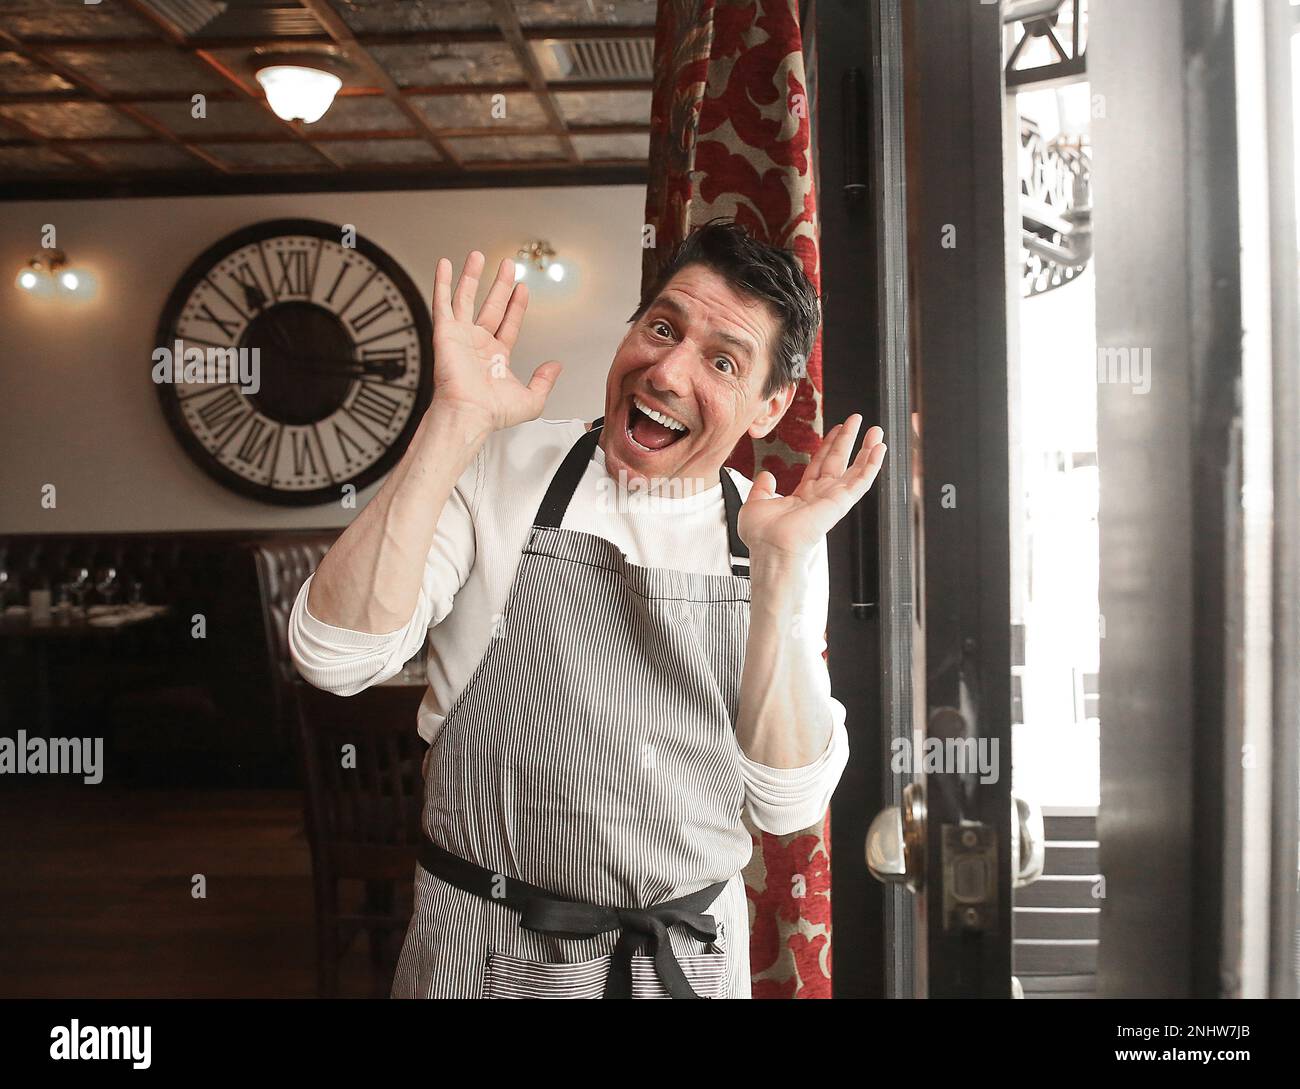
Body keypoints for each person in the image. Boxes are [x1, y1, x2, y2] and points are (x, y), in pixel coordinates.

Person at [289, 219, 887, 999]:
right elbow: (333, 656)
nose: (668, 371)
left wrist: (779, 572)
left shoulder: (773, 534)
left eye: (721, 359)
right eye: (662, 326)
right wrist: (454, 421)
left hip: (685, 967)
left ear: (768, 408)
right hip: (483, 948)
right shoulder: (502, 465)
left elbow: (787, 804)